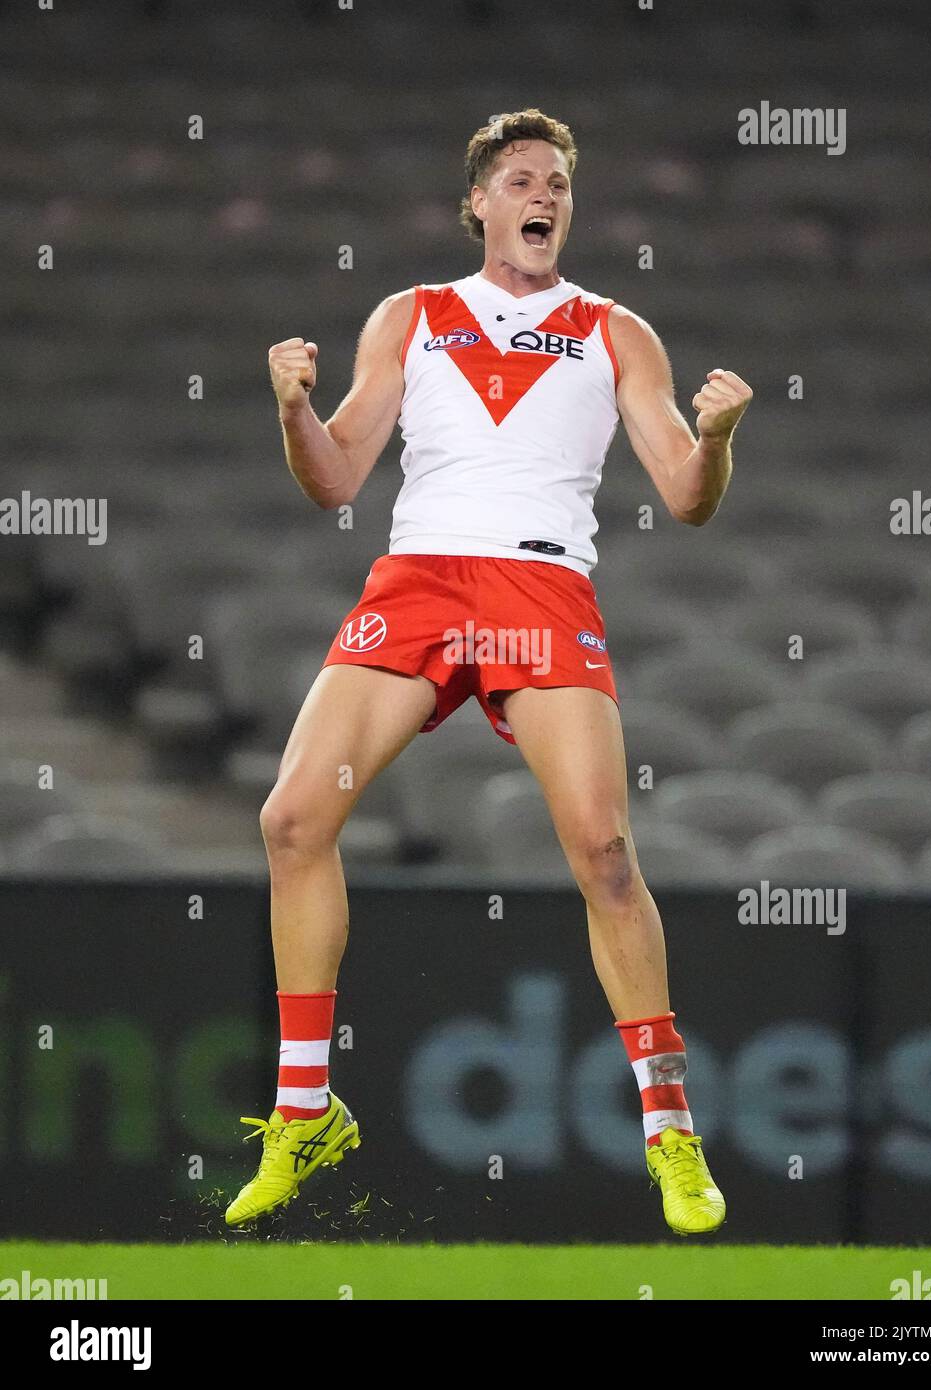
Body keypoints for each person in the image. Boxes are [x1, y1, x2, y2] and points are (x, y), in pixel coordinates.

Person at [226, 108, 752, 1236]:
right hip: (418, 581)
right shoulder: (412, 315)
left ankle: (670, 1131)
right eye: (522, 179)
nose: (543, 196)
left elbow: (684, 497)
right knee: (289, 821)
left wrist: (711, 440)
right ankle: (305, 1109)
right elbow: (334, 477)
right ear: (477, 202)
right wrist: (291, 411)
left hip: (537, 587)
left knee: (605, 852)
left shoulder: (614, 330)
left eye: (556, 183)